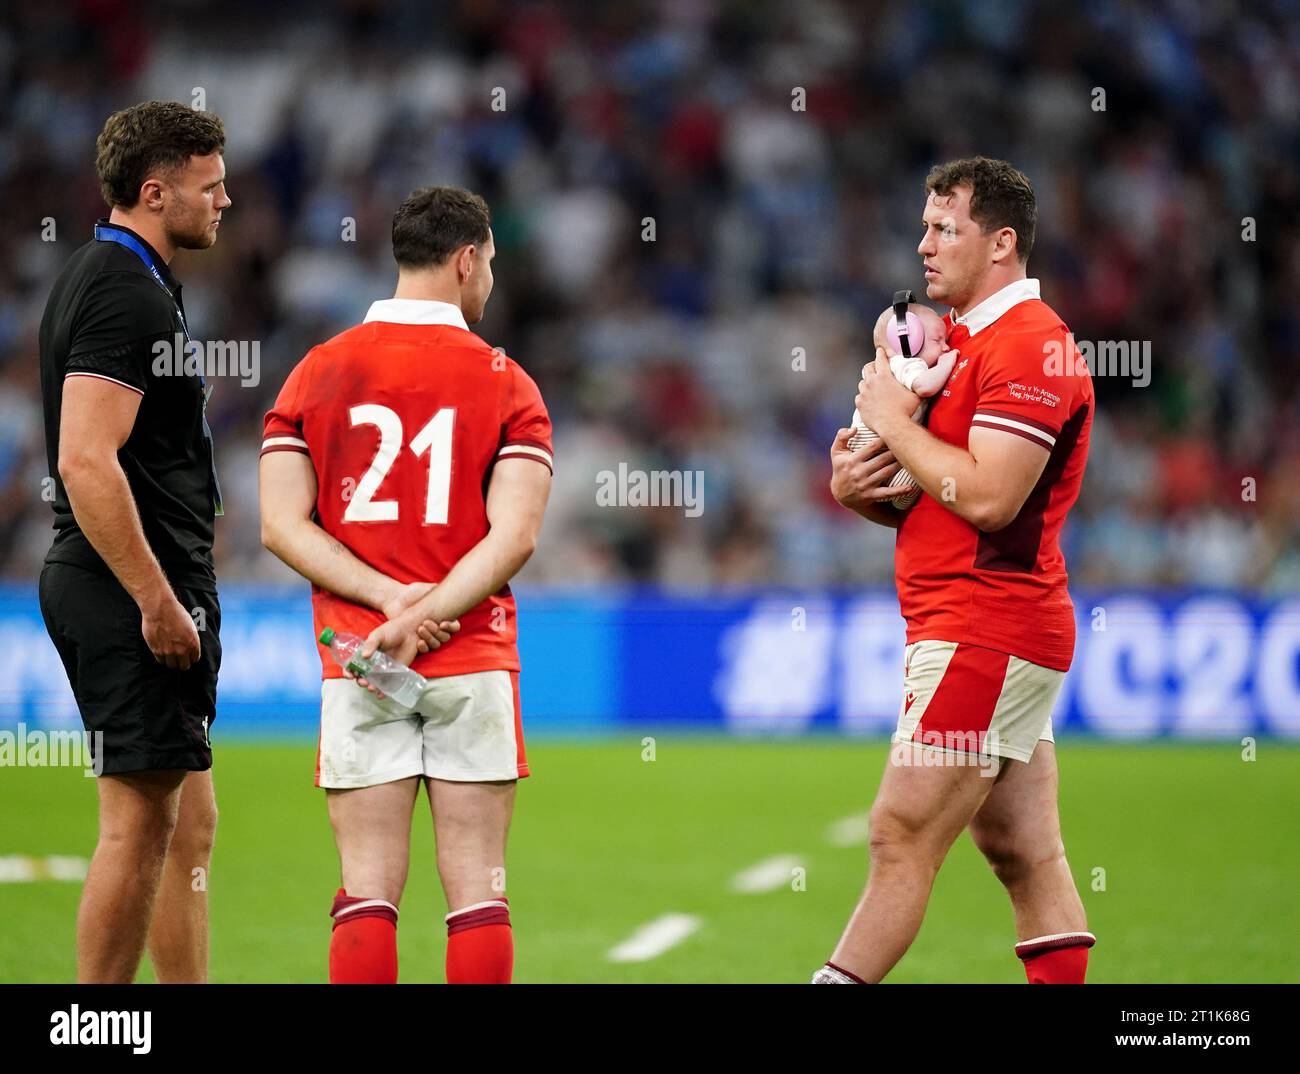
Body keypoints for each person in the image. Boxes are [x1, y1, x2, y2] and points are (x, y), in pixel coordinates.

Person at [259, 185, 553, 984]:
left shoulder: (316, 371)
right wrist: (431, 607)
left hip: (360, 655)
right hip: (473, 655)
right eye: (490, 264)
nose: (490, 280)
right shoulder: (507, 380)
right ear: (466, 260)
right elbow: (515, 535)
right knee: (478, 890)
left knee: (365, 889)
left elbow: (281, 526)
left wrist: (387, 604)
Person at [821, 157, 1096, 984]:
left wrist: (890, 422)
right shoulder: (963, 343)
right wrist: (856, 486)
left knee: (899, 834)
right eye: (925, 226)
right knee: (1025, 855)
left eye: (946, 229)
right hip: (979, 626)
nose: (924, 245)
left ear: (1002, 242)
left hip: (987, 629)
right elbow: (931, 495)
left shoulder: (1032, 348)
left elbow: (988, 499)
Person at [37, 100, 230, 983]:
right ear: (155, 193)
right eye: (209, 187)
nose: (224, 202)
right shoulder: (121, 290)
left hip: (135, 581)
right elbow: (86, 459)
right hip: (126, 587)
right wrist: (156, 598)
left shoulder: (125, 277)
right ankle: (97, 1026)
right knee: (140, 823)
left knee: (187, 823)